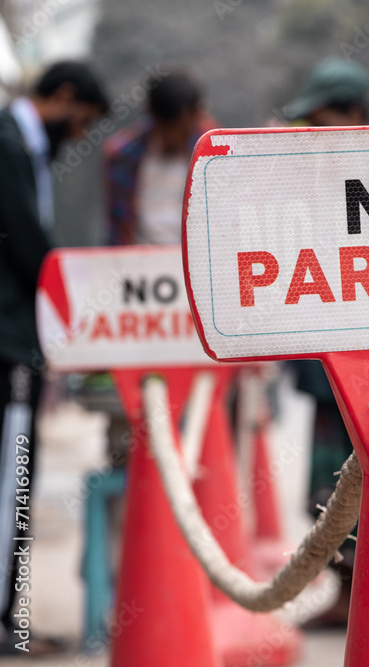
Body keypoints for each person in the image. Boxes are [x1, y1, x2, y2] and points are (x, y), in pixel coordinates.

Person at [0, 61, 107, 655]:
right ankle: (7, 625)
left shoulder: (22, 147)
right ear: (63, 97)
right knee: (11, 481)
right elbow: (25, 242)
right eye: (81, 120)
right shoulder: (9, 145)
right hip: (10, 342)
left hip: (17, 340)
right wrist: (74, 293)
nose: (78, 133)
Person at [281, 57, 369, 629]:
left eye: (322, 120)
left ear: (355, 115)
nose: (312, 130)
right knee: (331, 480)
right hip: (325, 358)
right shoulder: (306, 166)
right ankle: (345, 590)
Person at [104, 69, 213, 245]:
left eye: (184, 128)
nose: (177, 136)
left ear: (197, 115)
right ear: (153, 116)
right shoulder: (123, 157)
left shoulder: (214, 155)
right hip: (142, 264)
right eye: (171, 128)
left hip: (197, 260)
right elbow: (117, 224)